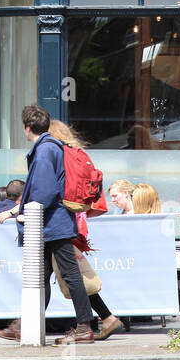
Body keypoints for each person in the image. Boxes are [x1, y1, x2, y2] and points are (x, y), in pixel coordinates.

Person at [0, 104, 94, 345]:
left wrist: (27, 211)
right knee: (41, 276)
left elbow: (45, 191)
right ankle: (24, 325)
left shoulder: (45, 150)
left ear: (27, 128)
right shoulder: (49, 147)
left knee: (70, 275)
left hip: (52, 222)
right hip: (51, 222)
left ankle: (84, 327)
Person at [47, 120, 121, 340]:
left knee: (72, 276)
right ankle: (106, 318)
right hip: (75, 217)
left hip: (59, 220)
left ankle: (92, 323)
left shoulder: (57, 153)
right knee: (71, 274)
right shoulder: (76, 152)